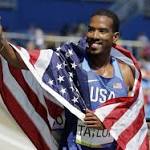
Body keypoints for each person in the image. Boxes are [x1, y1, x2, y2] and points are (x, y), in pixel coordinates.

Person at [0, 9, 141, 150]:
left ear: (115, 37)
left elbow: (131, 116)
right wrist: (1, 41)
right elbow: (18, 60)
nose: (94, 35)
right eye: (91, 30)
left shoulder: (126, 73)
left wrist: (107, 121)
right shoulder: (71, 62)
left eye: (102, 31)